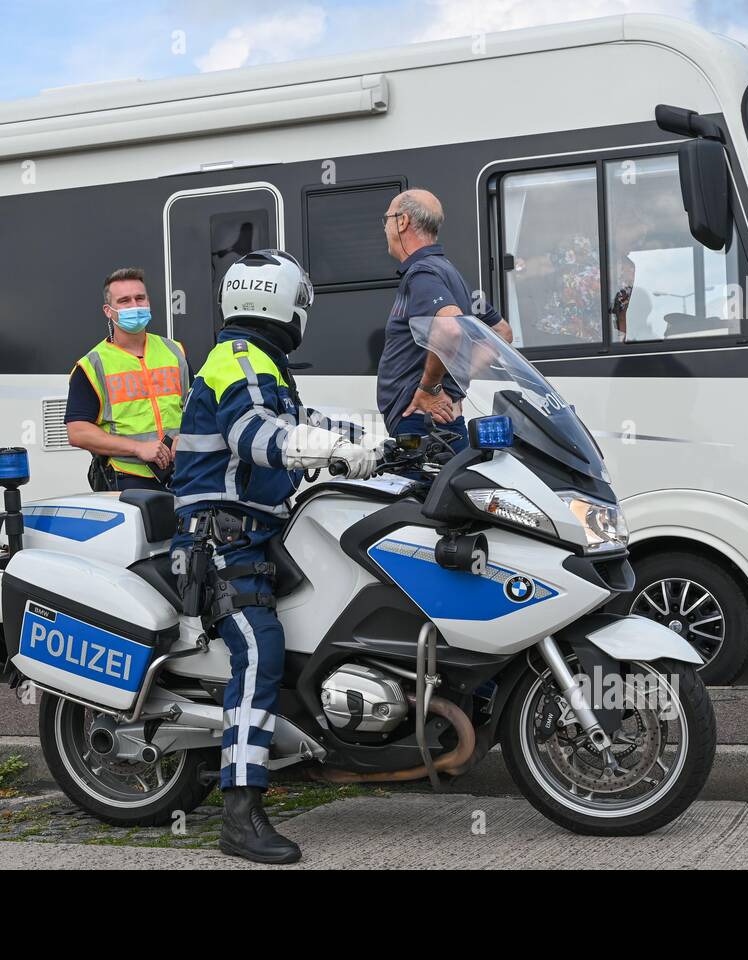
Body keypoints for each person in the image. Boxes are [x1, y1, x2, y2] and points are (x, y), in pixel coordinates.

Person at [170, 250, 380, 864]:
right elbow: (256, 435)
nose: (304, 314)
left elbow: (302, 420)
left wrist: (378, 436)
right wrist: (327, 451)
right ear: (277, 301)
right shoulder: (236, 360)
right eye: (301, 302)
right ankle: (239, 813)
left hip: (256, 535)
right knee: (259, 651)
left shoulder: (262, 363)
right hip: (221, 540)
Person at [378, 189, 513, 454]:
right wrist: (455, 380)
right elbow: (501, 332)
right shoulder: (449, 272)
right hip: (441, 421)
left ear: (402, 221)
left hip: (422, 426)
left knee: (418, 495)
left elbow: (449, 329)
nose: (385, 228)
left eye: (387, 219)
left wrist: (430, 388)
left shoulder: (422, 273)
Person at [64, 267, 189, 492]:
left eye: (140, 298)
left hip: (182, 473)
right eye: (124, 300)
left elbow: (195, 407)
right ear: (108, 311)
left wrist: (187, 437)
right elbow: (77, 431)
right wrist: (137, 448)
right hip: (127, 479)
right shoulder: (92, 365)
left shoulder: (174, 351)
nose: (134, 305)